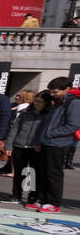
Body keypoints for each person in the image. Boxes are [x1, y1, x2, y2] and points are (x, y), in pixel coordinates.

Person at [33, 77, 80, 213]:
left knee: (54, 173)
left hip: (58, 143)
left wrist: (51, 133)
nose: (52, 94)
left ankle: (54, 202)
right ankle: (43, 200)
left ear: (67, 89)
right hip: (47, 141)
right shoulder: (57, 102)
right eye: (51, 92)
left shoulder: (74, 102)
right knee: (43, 172)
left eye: (55, 92)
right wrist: (40, 139)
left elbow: (73, 125)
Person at [1, 91, 45, 205]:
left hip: (35, 146)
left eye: (40, 102)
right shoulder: (25, 112)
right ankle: (16, 195)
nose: (37, 103)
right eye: (36, 100)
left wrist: (40, 143)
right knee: (18, 172)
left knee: (33, 173)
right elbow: (14, 129)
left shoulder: (47, 115)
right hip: (19, 144)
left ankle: (33, 197)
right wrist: (9, 145)